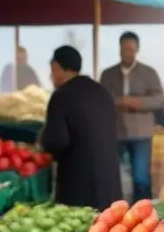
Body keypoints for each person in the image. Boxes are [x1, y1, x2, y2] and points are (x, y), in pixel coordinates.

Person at [43, 46, 123, 209]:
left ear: (57, 67)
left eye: (52, 70)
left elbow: (57, 140)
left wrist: (42, 145)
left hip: (79, 188)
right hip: (110, 185)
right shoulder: (102, 91)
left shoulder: (61, 95)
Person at [99, 31, 164, 202]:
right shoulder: (107, 75)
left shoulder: (149, 73)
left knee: (141, 177)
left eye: (131, 49)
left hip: (141, 133)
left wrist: (137, 102)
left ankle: (143, 216)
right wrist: (118, 101)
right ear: (119, 49)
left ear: (137, 50)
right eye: (124, 49)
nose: (128, 52)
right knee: (113, 177)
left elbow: (159, 100)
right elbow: (100, 100)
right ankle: (114, 216)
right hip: (115, 132)